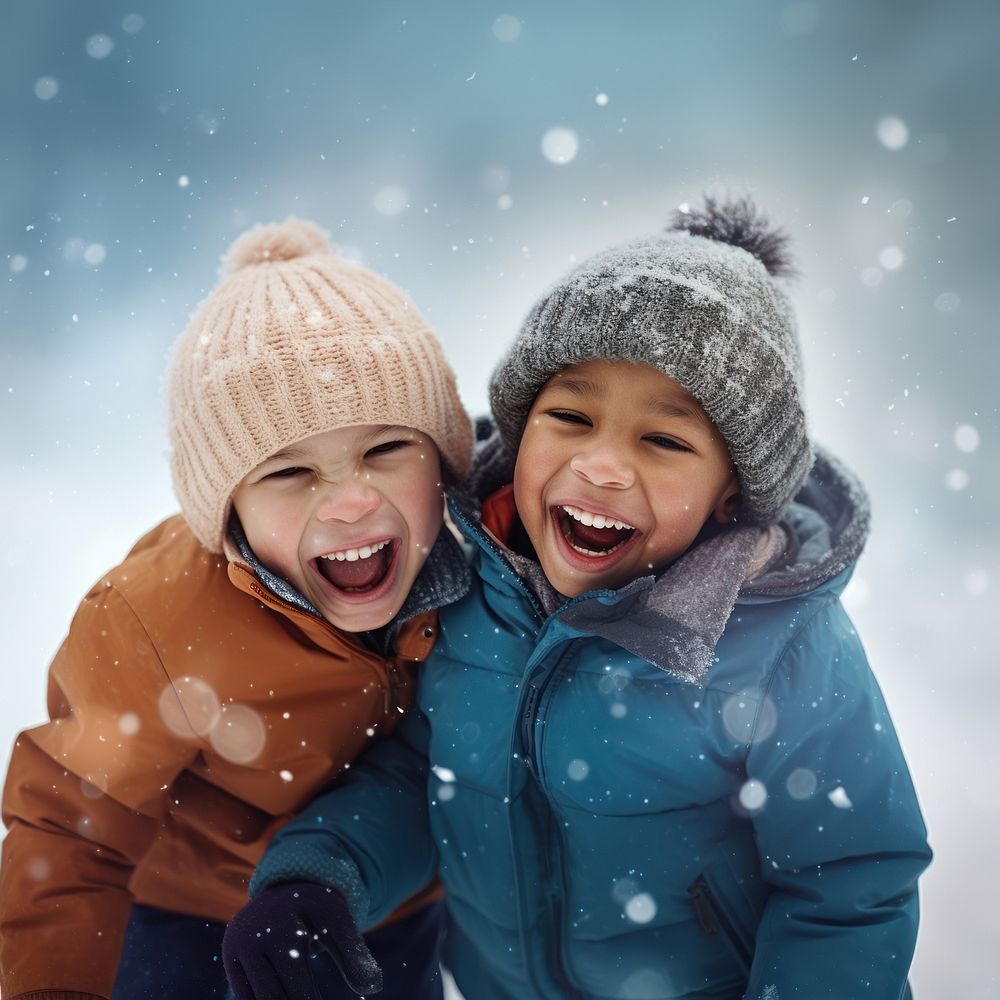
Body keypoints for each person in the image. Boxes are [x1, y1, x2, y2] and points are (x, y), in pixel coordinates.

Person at [225, 197, 932, 1000]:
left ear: (731, 495)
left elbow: (846, 887)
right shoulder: (468, 588)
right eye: (569, 416)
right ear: (521, 430)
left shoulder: (782, 646)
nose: (601, 466)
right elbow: (424, 778)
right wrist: (320, 876)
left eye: (663, 440)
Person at [0, 218, 473, 1000]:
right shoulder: (156, 618)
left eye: (387, 450)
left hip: (390, 903)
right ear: (228, 509)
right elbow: (71, 831)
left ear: (444, 459)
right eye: (289, 473)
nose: (352, 501)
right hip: (193, 917)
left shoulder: (487, 579)